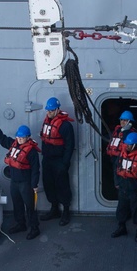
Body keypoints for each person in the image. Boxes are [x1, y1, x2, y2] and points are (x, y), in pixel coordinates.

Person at [0, 121, 41, 240]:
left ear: (28, 138)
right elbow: (2, 139)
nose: (19, 139)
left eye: (22, 137)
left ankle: (35, 228)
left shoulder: (32, 152)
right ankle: (21, 224)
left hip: (25, 183)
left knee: (30, 206)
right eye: (18, 137)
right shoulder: (13, 144)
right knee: (17, 204)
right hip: (14, 182)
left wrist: (34, 184)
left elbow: (35, 169)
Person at [38, 97, 75, 226]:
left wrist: (65, 163)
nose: (49, 112)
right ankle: (54, 209)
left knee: (62, 186)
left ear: (58, 109)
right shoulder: (46, 123)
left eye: (51, 110)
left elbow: (69, 146)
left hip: (59, 161)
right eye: (48, 110)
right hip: (47, 160)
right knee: (49, 185)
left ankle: (65, 211)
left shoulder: (65, 126)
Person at [108, 112, 137, 239]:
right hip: (123, 185)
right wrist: (117, 182)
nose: (127, 146)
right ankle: (121, 226)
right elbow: (117, 168)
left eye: (129, 144)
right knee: (121, 207)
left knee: (136, 209)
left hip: (134, 187)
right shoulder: (122, 155)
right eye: (121, 120)